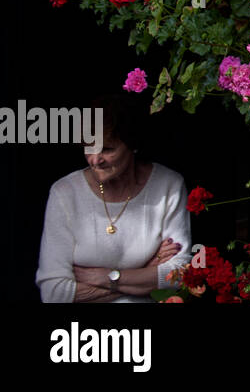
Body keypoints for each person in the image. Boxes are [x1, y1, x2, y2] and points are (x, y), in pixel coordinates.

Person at [36, 96, 191, 302]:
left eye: (107, 149)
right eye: (89, 147)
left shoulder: (168, 185)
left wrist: (108, 277)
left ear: (132, 145)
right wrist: (146, 272)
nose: (95, 160)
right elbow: (53, 293)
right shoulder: (65, 193)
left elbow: (181, 273)